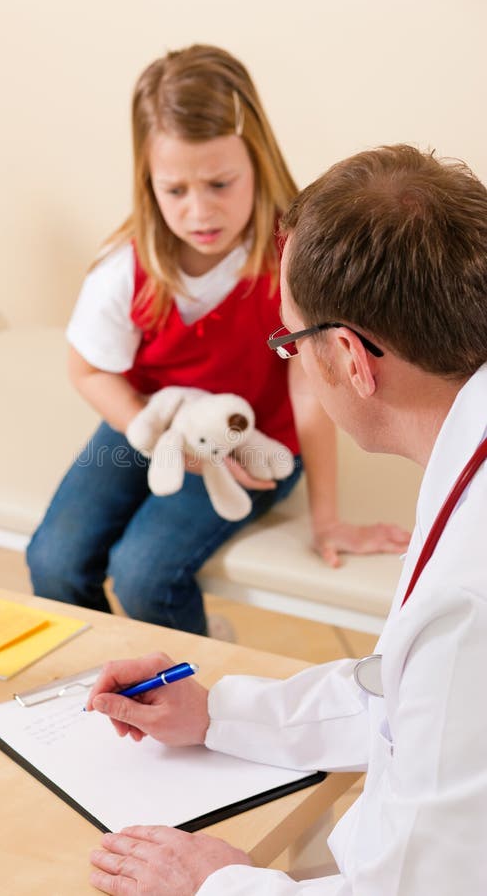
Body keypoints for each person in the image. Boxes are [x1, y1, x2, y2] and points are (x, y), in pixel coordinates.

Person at [86, 144, 487, 894]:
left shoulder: (470, 597)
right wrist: (217, 713)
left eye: (288, 340)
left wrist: (217, 884)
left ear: (349, 356)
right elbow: (410, 701)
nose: (292, 361)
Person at [26, 45, 408, 636]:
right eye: (175, 190)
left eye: (220, 184)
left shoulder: (290, 262)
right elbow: (88, 371)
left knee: (145, 575)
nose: (200, 212)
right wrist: (155, 435)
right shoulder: (123, 269)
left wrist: (326, 519)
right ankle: (101, 673)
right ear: (147, 181)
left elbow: (309, 393)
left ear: (256, 161)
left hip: (251, 440)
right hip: (149, 421)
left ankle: (193, 668)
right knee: (53, 561)